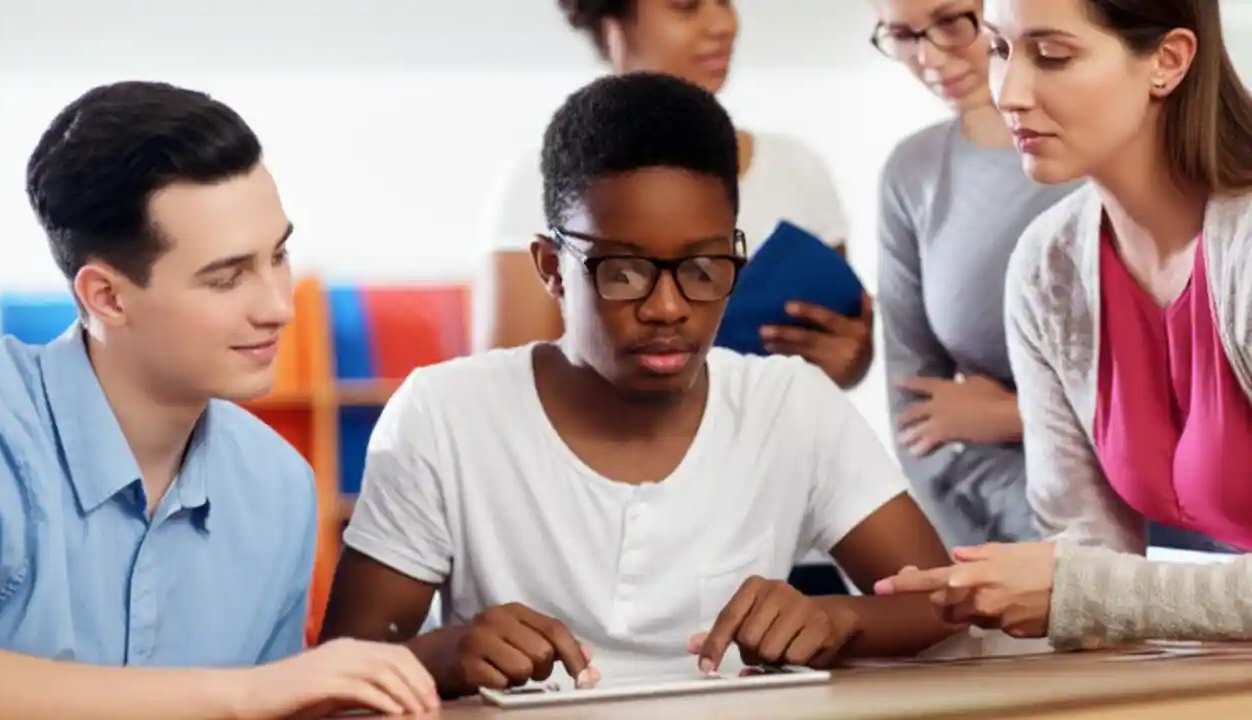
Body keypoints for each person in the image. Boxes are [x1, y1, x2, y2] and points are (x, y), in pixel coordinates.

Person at [321, 71, 956, 698]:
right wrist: (444, 653)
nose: (668, 307)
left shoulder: (787, 405)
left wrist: (835, 618)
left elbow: (938, 603)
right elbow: (341, 671)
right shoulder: (445, 416)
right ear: (551, 268)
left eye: (704, 268)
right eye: (623, 272)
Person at [0, 81, 437, 719]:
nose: (277, 306)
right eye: (227, 278)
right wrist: (239, 695)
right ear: (107, 296)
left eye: (278, 256)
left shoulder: (279, 488)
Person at [872, 0, 1252, 650]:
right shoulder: (1048, 265)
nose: (1010, 93)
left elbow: (1089, 589)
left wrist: (1081, 594)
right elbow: (1086, 558)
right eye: (999, 49)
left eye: (1052, 56)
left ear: (1168, 61)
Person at [477, 0, 873, 391]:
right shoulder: (543, 182)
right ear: (612, 23)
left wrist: (850, 362)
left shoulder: (797, 169)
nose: (722, 25)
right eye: (686, 6)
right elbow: (508, 393)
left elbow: (838, 353)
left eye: (724, 2)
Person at [869, 0, 1082, 549]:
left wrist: (1017, 417)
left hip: (1164, 539)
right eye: (903, 36)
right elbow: (918, 418)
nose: (930, 57)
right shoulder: (912, 174)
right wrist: (1006, 556)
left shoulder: (1106, 152)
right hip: (1001, 527)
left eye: (950, 22)